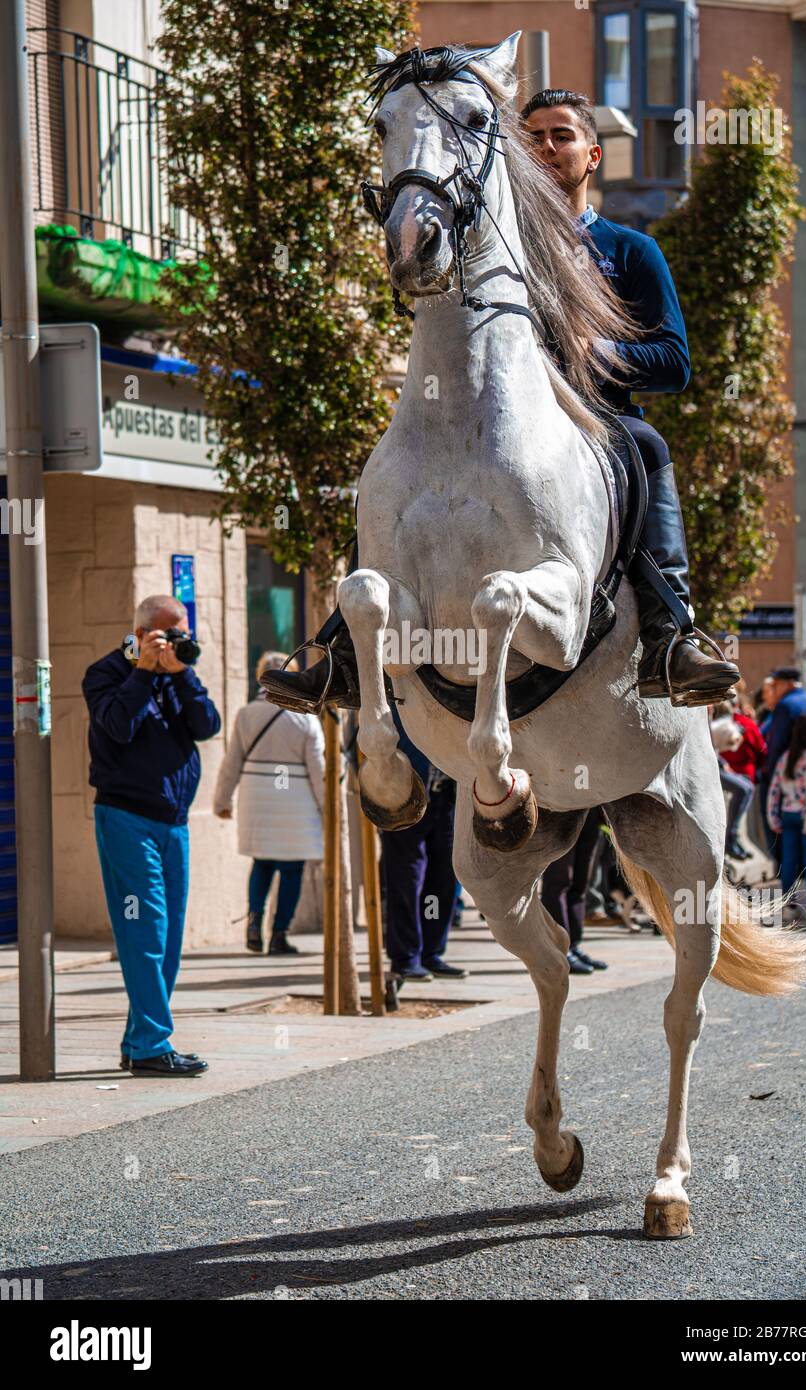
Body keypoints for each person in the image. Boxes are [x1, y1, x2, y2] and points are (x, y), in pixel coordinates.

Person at [261, 82, 738, 717]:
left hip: (595, 425)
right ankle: (345, 651)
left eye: (561, 135)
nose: (546, 145)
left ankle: (670, 634)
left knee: (648, 447)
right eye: (532, 135)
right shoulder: (486, 243)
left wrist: (598, 354)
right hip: (481, 421)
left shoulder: (631, 250)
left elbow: (674, 364)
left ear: (592, 155)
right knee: (393, 469)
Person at [82, 595, 221, 1076]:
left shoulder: (176, 676)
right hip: (126, 819)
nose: (177, 642)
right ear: (141, 633)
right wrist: (142, 672)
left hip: (174, 823)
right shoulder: (105, 673)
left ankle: (140, 1040)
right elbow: (117, 727)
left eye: (182, 633)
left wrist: (181, 674)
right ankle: (152, 1046)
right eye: (168, 634)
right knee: (146, 933)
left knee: (169, 940)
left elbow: (207, 725)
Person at [213, 652, 325, 956]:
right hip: (295, 799)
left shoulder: (247, 714)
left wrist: (221, 800)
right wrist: (327, 807)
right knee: (291, 869)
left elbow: (231, 761)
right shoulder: (305, 718)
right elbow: (318, 769)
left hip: (256, 793)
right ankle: (278, 934)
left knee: (261, 862)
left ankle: (253, 924)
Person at [380, 710, 467, 982]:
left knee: (442, 879)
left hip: (446, 798)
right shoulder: (395, 700)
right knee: (407, 879)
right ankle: (405, 957)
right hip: (406, 797)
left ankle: (432, 952)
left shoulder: (449, 696)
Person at [766, 715, 806, 924]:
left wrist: (773, 817)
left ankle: (788, 907)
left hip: (788, 814)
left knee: (789, 863)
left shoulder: (786, 757)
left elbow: (774, 789)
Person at [541, 807, 611, 975]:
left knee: (580, 882)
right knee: (558, 882)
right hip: (561, 806)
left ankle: (573, 945)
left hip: (590, 806)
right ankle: (560, 950)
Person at [711, 700, 754, 860]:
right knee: (743, 789)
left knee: (747, 786)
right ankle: (731, 837)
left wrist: (723, 763)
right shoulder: (703, 715)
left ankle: (733, 836)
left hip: (714, 765)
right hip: (708, 768)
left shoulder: (708, 717)